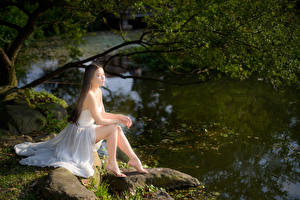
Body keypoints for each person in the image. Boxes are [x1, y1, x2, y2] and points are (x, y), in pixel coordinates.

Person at [14, 63, 148, 178]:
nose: (103, 78)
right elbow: (100, 120)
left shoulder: (98, 91)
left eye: (103, 75)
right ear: (90, 78)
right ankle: (112, 163)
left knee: (116, 128)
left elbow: (102, 113)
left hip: (88, 130)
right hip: (79, 134)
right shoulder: (89, 94)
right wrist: (117, 121)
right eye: (98, 75)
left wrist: (120, 116)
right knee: (114, 128)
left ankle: (134, 159)